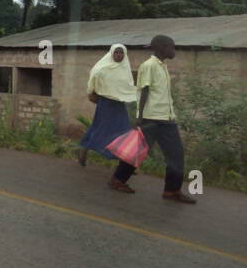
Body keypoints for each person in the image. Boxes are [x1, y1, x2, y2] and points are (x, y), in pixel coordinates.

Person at [108, 35, 196, 203]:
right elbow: (144, 91)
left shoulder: (162, 66)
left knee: (176, 154)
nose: (174, 51)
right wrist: (140, 118)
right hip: (151, 119)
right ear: (162, 47)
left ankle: (171, 190)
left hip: (166, 118)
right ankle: (117, 180)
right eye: (172, 47)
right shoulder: (149, 66)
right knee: (137, 152)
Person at [77, 44, 137, 166]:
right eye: (116, 52)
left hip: (119, 105)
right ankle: (83, 149)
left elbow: (128, 86)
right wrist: (91, 93)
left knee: (124, 131)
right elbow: (93, 80)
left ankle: (125, 164)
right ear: (111, 53)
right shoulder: (102, 68)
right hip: (105, 104)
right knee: (100, 128)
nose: (119, 55)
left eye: (121, 53)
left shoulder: (125, 69)